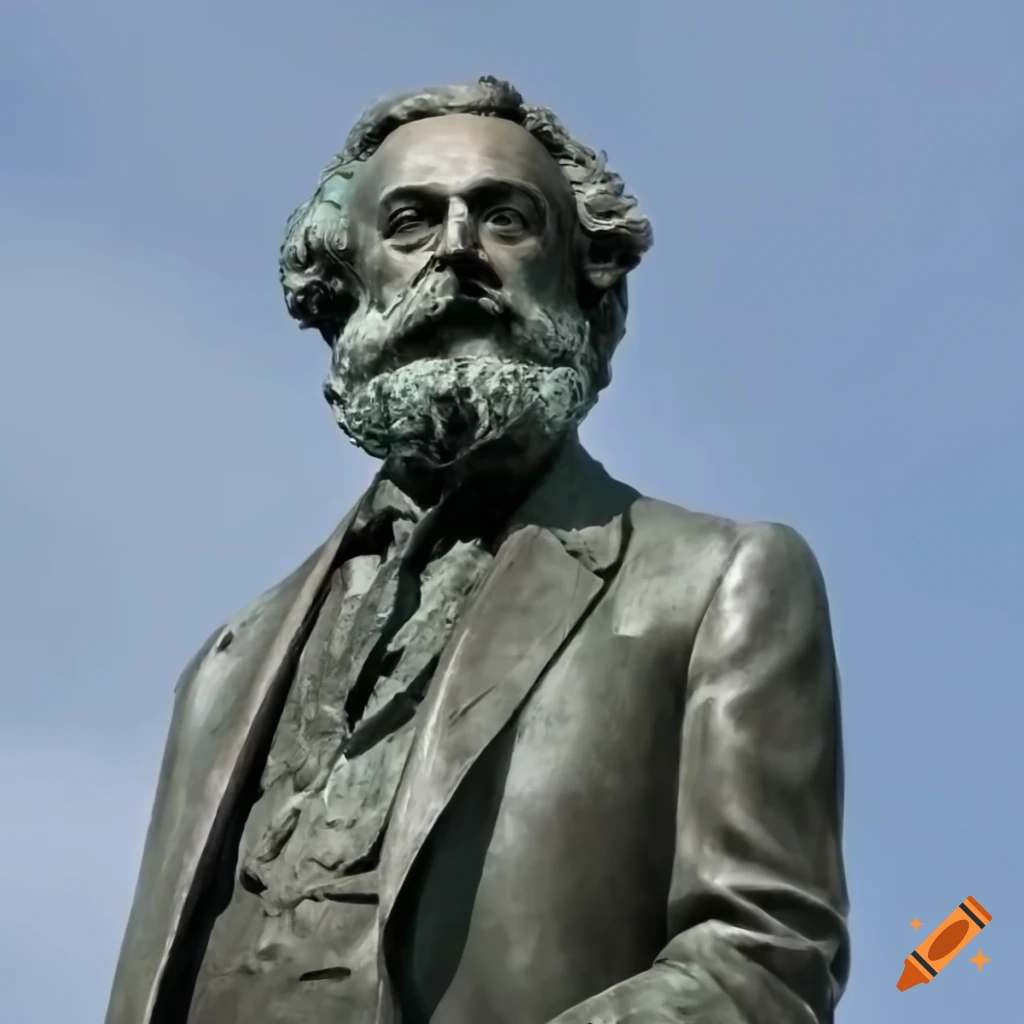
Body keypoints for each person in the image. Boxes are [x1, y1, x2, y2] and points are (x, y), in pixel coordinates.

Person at [105, 76, 850, 1024]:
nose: (457, 251)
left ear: (590, 295)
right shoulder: (223, 669)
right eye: (411, 222)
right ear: (342, 293)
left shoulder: (715, 584)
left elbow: (761, 959)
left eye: (505, 218)